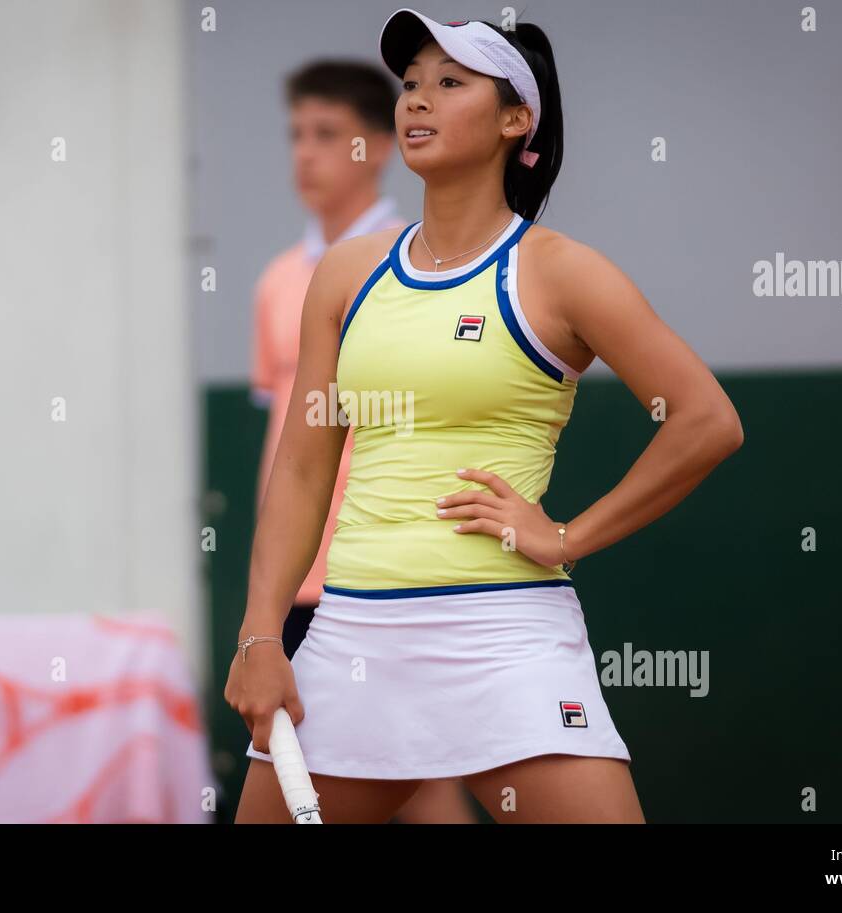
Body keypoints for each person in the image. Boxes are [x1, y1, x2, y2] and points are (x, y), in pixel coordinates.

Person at [228, 9, 743, 824]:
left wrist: (566, 535)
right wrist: (261, 635)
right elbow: (300, 467)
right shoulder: (346, 273)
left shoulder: (564, 272)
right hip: (352, 638)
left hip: (507, 639)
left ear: (516, 120)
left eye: (449, 83)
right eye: (410, 85)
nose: (417, 101)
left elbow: (705, 419)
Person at [247, 58, 478, 824]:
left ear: (377, 146)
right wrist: (267, 582)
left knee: (422, 778)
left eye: (326, 135)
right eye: (293, 136)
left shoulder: (414, 267)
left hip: (380, 567)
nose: (304, 154)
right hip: (296, 583)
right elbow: (285, 438)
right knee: (307, 775)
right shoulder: (279, 279)